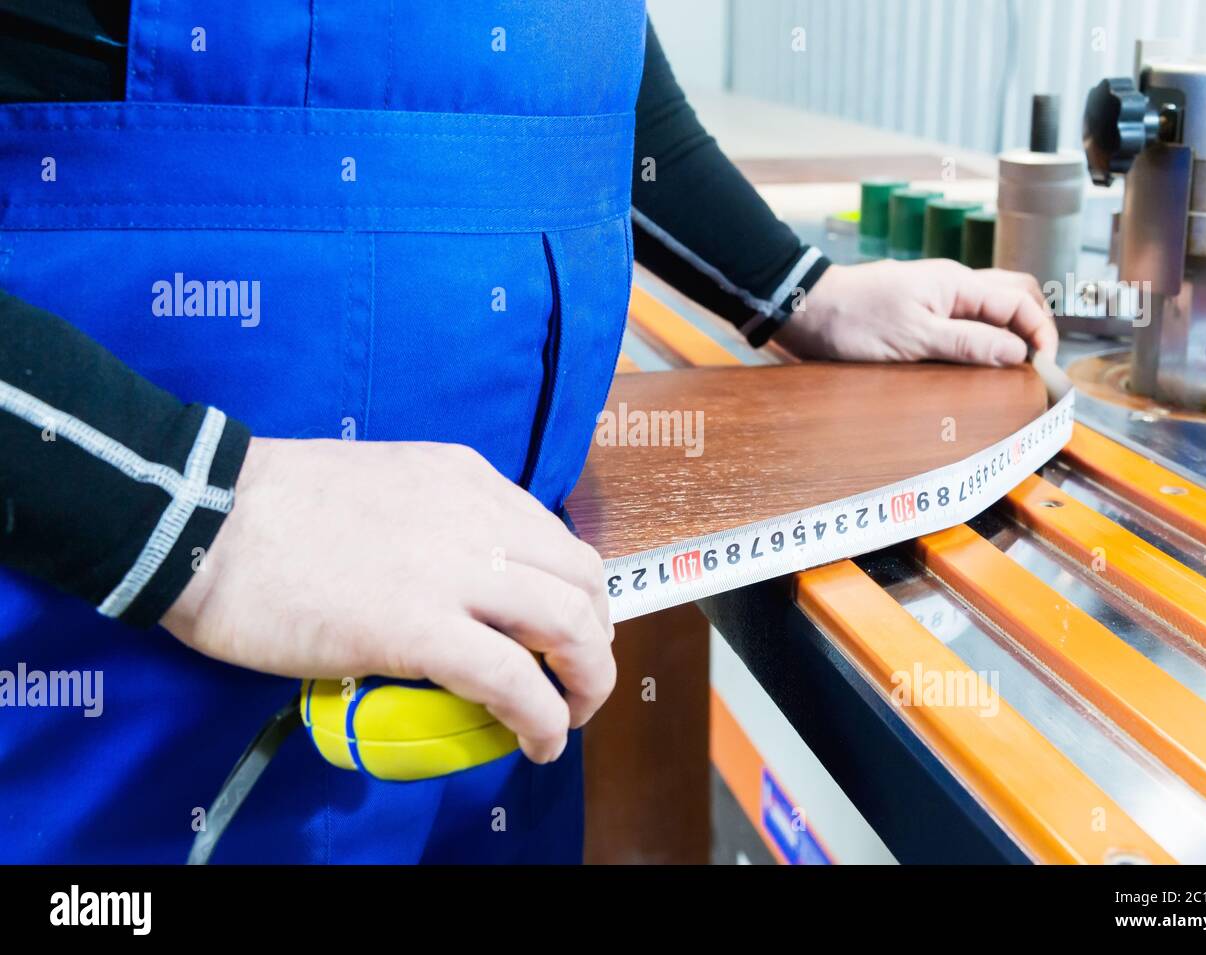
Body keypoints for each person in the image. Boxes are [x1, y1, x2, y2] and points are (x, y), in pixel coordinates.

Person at [0, 3, 1056, 863]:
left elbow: (576, 62)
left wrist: (789, 288)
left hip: (493, 726)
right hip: (104, 695)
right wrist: (196, 515)